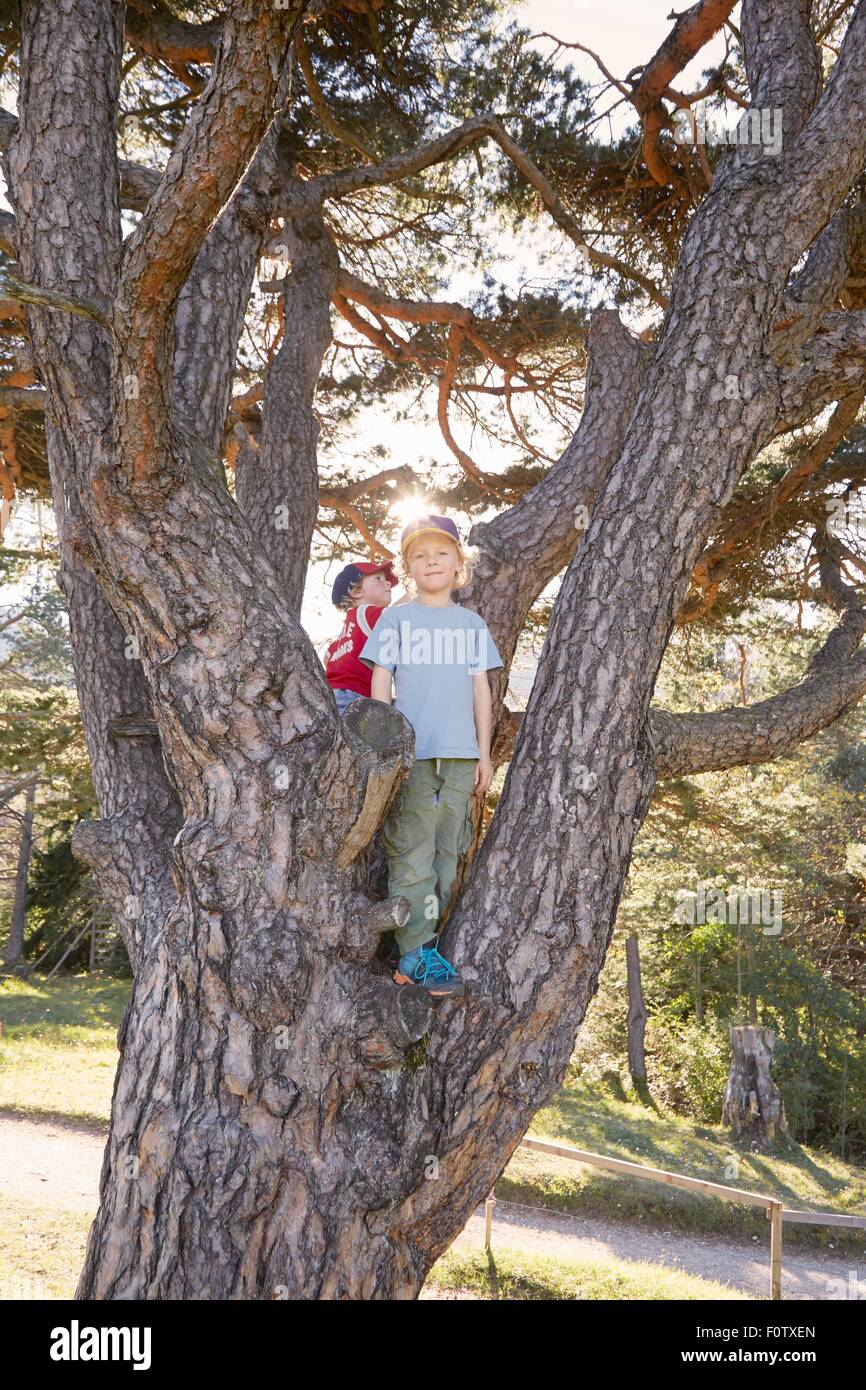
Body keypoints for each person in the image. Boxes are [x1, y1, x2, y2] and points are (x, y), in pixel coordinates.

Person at [359, 513, 502, 998]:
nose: (432, 561)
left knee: (447, 855)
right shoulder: (398, 618)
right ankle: (415, 954)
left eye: (442, 553)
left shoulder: (471, 624)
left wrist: (484, 754)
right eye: (420, 555)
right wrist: (383, 743)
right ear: (408, 568)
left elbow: (481, 689)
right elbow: (381, 677)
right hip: (414, 756)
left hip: (461, 757)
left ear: (459, 563)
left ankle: (426, 948)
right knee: (412, 851)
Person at [324, 560, 399, 713]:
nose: (388, 584)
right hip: (353, 700)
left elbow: (327, 659)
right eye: (378, 579)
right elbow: (397, 615)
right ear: (356, 591)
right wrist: (424, 594)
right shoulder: (365, 612)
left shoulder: (338, 640)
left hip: (329, 698)